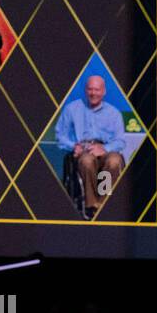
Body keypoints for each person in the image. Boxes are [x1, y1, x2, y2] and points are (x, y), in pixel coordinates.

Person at [56, 75, 126, 219]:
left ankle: (103, 202)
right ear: (86, 90)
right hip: (83, 148)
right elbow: (60, 135)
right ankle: (91, 205)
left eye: (97, 89)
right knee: (87, 161)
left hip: (106, 148)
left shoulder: (114, 113)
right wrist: (73, 146)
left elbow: (120, 141)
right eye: (90, 89)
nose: (93, 93)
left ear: (104, 91)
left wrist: (104, 148)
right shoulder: (72, 109)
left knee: (114, 161)